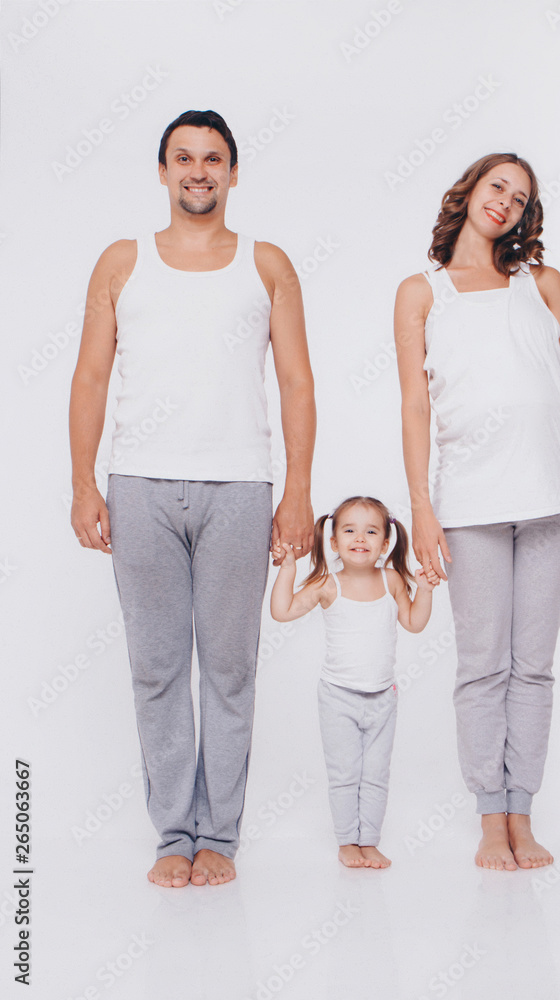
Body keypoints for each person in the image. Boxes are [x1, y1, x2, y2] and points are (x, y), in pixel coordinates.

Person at [69, 109, 316, 888]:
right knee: (156, 668)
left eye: (213, 158)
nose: (198, 171)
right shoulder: (122, 262)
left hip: (239, 486)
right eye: (184, 158)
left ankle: (220, 836)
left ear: (233, 172)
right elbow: (90, 376)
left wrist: (298, 491)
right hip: (139, 484)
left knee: (229, 670)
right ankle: (174, 833)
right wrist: (83, 483)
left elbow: (296, 383)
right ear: (162, 171)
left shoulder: (267, 265)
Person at [394, 152, 560, 872]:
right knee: (481, 666)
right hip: (471, 505)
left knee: (532, 667)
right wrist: (421, 507)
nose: (506, 202)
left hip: (553, 498)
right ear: (469, 191)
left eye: (520, 198)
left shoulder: (541, 284)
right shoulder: (421, 293)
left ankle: (520, 813)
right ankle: (488, 819)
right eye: (497, 186)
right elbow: (414, 405)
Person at [270, 496, 439, 868]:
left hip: (383, 698)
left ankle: (370, 841)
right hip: (338, 698)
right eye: (349, 530)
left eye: (371, 532)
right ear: (333, 542)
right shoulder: (327, 584)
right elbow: (282, 612)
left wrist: (425, 591)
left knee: (376, 774)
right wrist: (287, 569)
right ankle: (348, 841)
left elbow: (414, 623)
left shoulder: (392, 580)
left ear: (385, 542)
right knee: (345, 774)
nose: (360, 538)